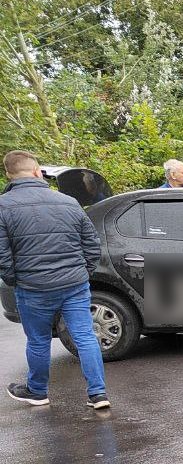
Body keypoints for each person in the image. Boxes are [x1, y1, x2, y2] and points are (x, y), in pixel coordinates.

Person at [0, 150, 110, 409]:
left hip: (33, 287)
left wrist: (16, 279)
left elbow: (2, 255)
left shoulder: (3, 206)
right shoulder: (68, 202)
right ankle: (98, 394)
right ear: (37, 171)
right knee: (84, 335)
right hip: (74, 284)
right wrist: (83, 271)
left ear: (8, 174)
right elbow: (92, 245)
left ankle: (37, 391)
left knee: (38, 340)